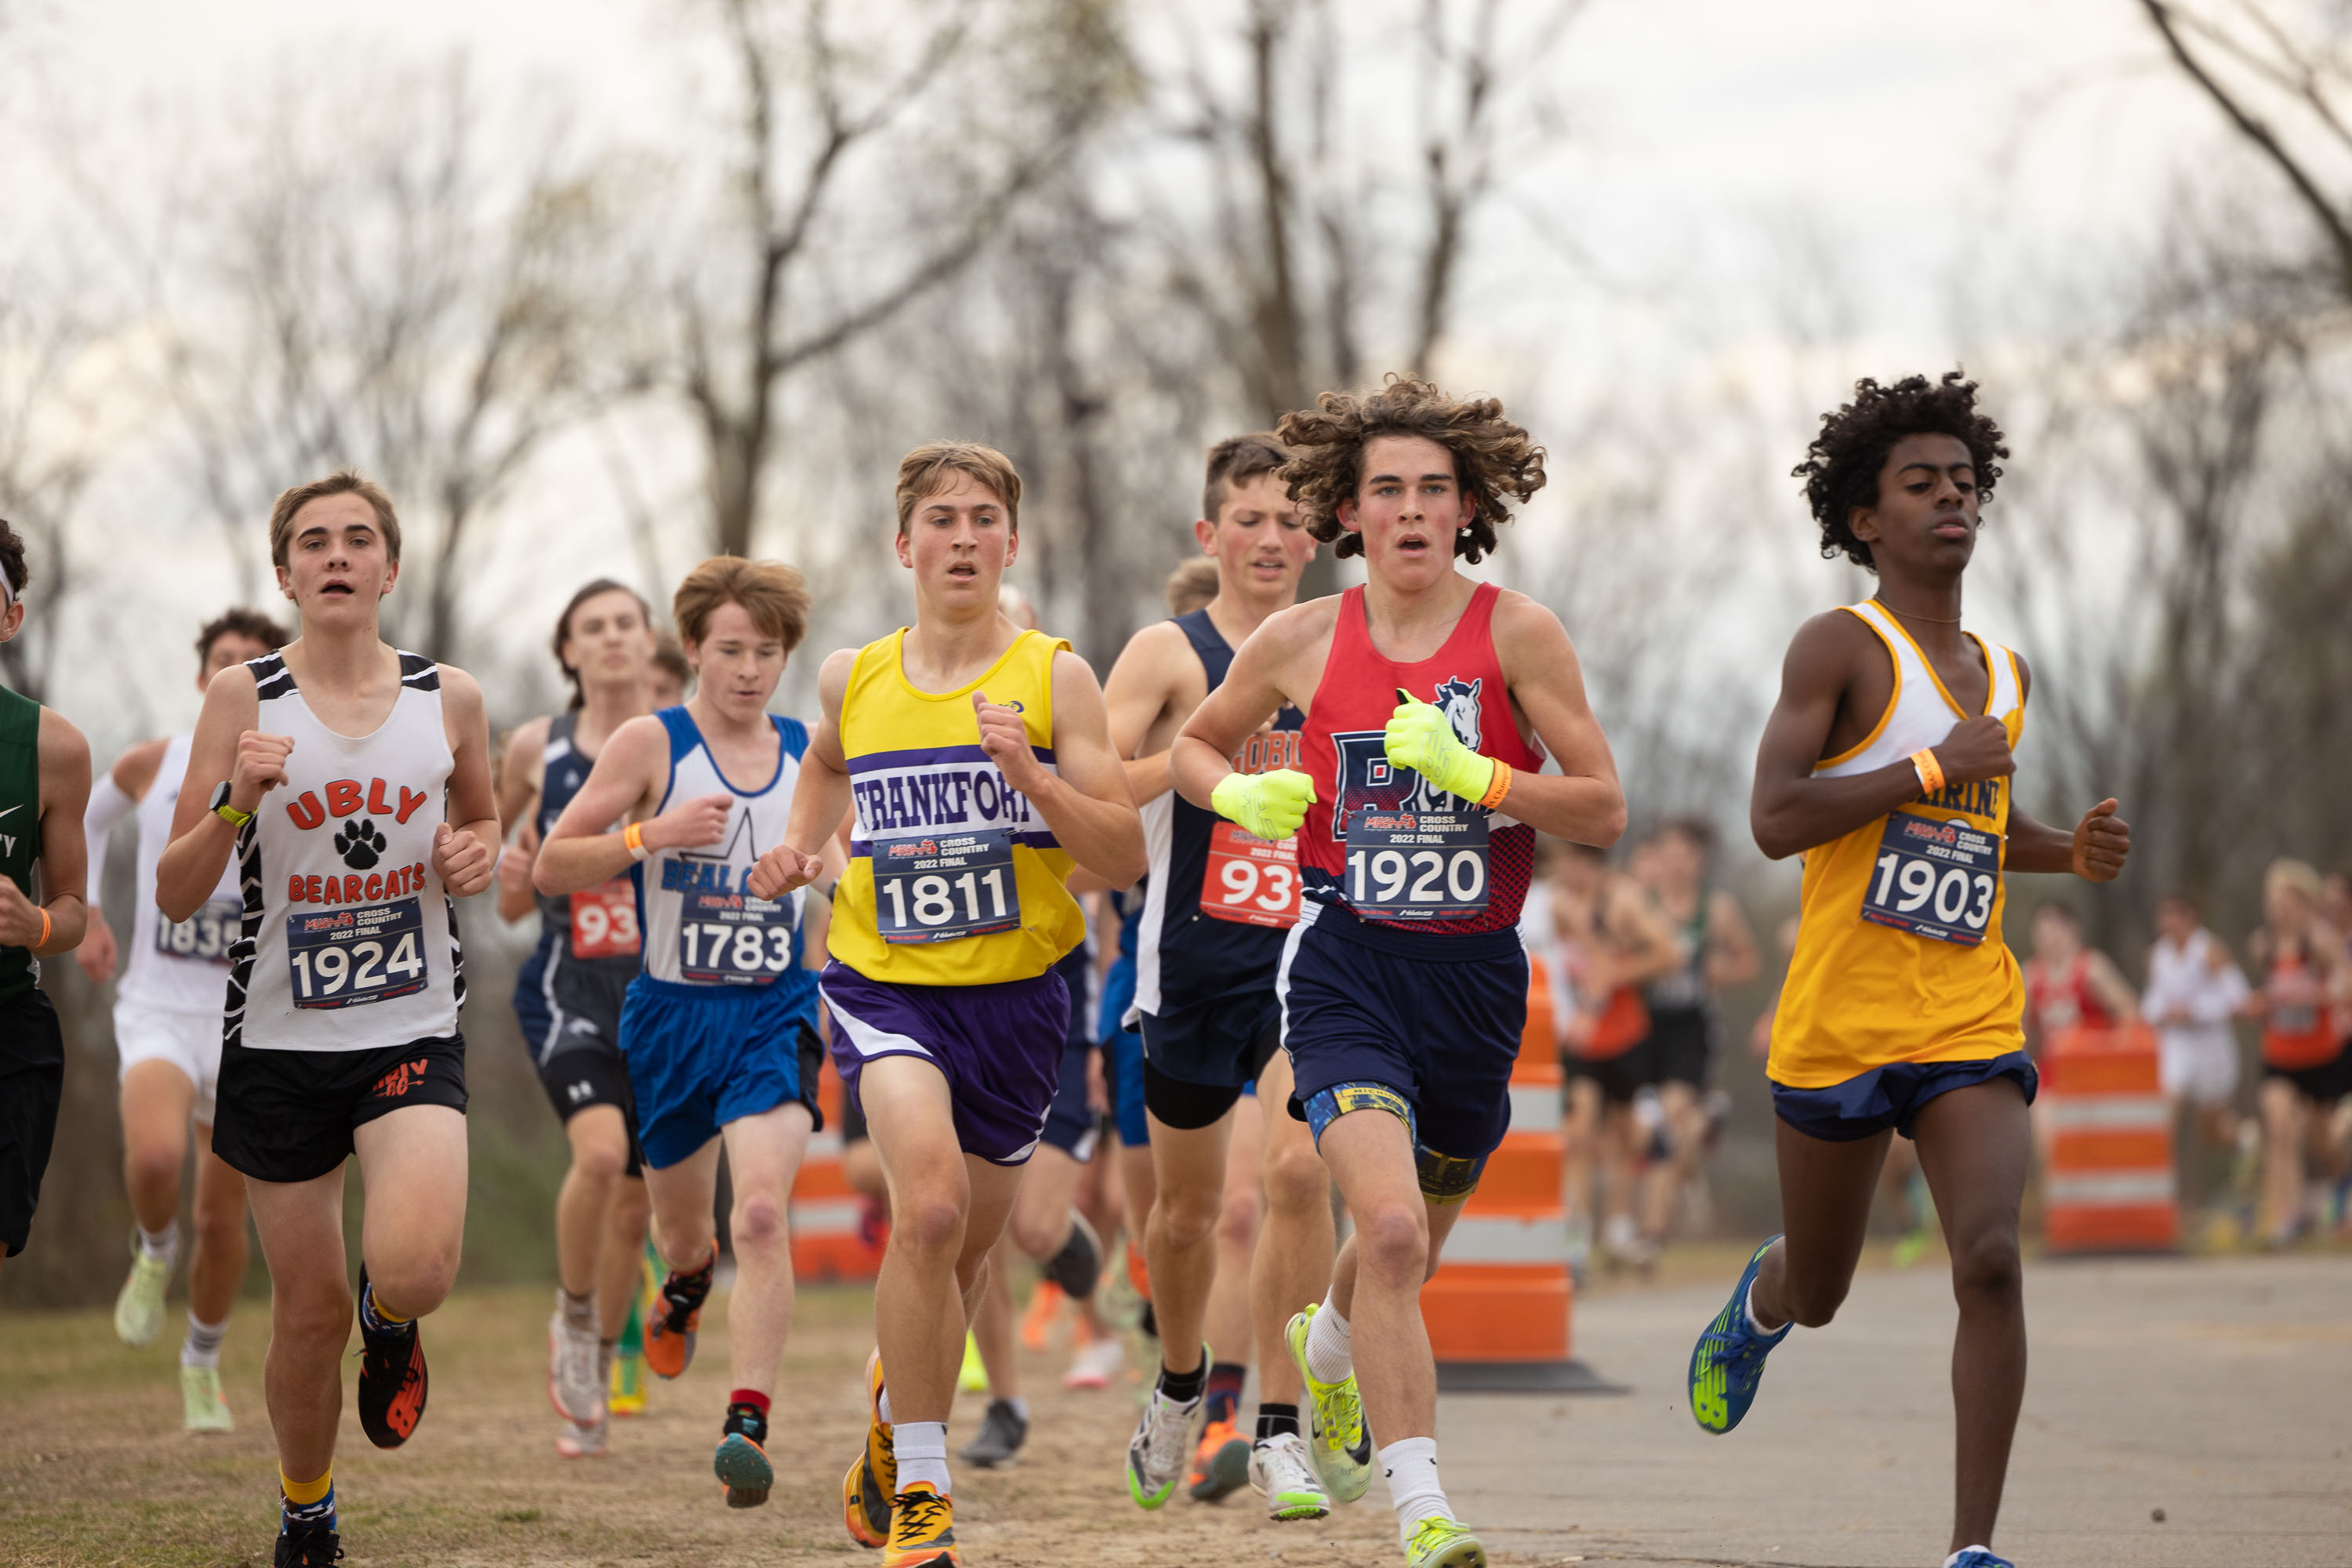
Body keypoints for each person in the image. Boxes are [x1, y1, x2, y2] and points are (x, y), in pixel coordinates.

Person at [1173, 378, 1625, 1568]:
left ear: (1466, 505)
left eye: (1434, 490)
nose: (1413, 511)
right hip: (1346, 964)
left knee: (1412, 1228)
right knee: (1386, 1236)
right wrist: (1231, 790)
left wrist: (1482, 778)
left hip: (1477, 976)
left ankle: (1325, 1354)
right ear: (1348, 511)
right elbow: (1190, 743)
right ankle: (1423, 1504)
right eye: (1389, 491)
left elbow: (1604, 807)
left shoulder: (1518, 633)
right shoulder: (1304, 639)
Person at [1684, 373, 2131, 1568]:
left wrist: (2062, 852)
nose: (1952, 499)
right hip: (1838, 1023)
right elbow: (1778, 818)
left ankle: (1972, 1548)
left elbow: (1981, 831)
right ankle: (1762, 1306)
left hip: (1968, 1016)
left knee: (1988, 1257)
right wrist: (1931, 769)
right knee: (1823, 1286)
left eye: (1967, 482)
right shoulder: (1839, 645)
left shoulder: (2005, 673)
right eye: (1920, 482)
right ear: (1864, 517)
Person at [749, 441, 1145, 1568]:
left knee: (965, 1253)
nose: (962, 537)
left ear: (1011, 545)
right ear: (904, 543)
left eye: (983, 520)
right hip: (886, 986)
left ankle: (890, 1420)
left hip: (1019, 1001)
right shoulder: (853, 676)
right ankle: (923, 1490)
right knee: (923, 1213)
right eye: (940, 518)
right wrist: (797, 848)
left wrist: (1036, 780)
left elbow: (1117, 849)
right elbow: (824, 761)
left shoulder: (1055, 676)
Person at [158, 472, 499, 1568]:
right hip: (277, 1040)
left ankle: (391, 1323)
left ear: (390, 568)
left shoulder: (451, 697)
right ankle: (308, 1512)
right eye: (316, 542)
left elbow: (482, 826)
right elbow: (173, 887)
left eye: (360, 540)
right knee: (307, 1316)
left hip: (409, 1024)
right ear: (286, 574)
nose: (338, 556)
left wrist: (475, 854)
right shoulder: (241, 701)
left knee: (415, 1268)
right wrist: (233, 803)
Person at [534, 556, 833, 1508]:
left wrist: (816, 871)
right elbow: (549, 863)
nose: (749, 670)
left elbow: (850, 871)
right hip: (668, 1016)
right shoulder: (649, 742)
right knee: (685, 1229)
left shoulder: (812, 748)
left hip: (773, 1009)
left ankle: (746, 1419)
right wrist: (649, 836)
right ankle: (686, 1283)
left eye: (769, 652)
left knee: (759, 1212)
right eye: (731, 650)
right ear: (694, 647)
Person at [1101, 432, 1338, 1521]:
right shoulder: (1169, 651)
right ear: (1212, 534)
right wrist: (1207, 763)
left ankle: (1280, 1424)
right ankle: (1182, 1379)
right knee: (1190, 1217)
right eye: (1251, 518)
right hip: (1192, 960)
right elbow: (1093, 791)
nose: (1274, 538)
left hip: (1315, 957)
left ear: (1322, 533)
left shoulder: (1348, 649)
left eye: (1295, 519)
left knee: (1293, 1177)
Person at [79, 608, 286, 1430]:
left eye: (255, 662)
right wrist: (89, 909)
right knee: (158, 1155)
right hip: (160, 1007)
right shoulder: (153, 762)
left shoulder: (294, 770)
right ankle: (152, 1248)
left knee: (221, 1213)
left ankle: (202, 1357)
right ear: (206, 679)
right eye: (224, 660)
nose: (236, 671)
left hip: (246, 1020)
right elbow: (89, 822)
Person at [492, 579, 662, 1458]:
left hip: (664, 991)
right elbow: (513, 900)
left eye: (625, 623)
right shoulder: (536, 748)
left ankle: (597, 1359)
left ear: (649, 640)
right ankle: (572, 1313)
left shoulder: (684, 738)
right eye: (591, 628)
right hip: (570, 985)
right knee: (597, 1155)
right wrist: (513, 872)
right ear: (568, 651)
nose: (610, 639)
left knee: (637, 1207)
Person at [0, 519, 93, 1290]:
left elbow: (73, 910)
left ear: (10, 616)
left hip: (8, 1017)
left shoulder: (53, 747)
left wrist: (32, 923)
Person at [1548, 840, 1678, 1272]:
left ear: (1592, 863)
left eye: (1571, 862)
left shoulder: (1621, 902)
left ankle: (1619, 1225)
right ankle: (1576, 1233)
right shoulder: (1559, 905)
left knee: (1627, 1138)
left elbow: (1667, 953)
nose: (1564, 872)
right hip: (1582, 1040)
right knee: (1579, 1131)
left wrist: (1613, 976)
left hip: (1626, 1036)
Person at [1632, 819, 1759, 1247]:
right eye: (1667, 855)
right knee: (1652, 1133)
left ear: (1698, 861)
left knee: (1668, 1120)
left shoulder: (1716, 908)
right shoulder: (1640, 903)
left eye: (1683, 856)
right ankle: (1706, 1127)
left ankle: (1649, 1236)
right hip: (1644, 1026)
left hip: (1692, 1027)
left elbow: (1748, 962)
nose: (1675, 864)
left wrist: (1718, 968)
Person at [2245, 858, 2350, 1247]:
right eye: (2273, 900)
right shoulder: (2263, 945)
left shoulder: (2318, 941)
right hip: (2279, 1056)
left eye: (2287, 900)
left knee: (2323, 1142)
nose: (2279, 909)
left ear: (2305, 903)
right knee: (2279, 1126)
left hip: (2321, 1058)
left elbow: (2346, 984)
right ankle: (2282, 1220)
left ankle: (2342, 1181)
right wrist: (2259, 1005)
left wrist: (2322, 994)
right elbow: (2270, 996)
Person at [2141, 891, 2249, 1208]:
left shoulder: (2209, 950)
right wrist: (2163, 1013)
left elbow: (2237, 998)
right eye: (2163, 917)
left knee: (2212, 1130)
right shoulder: (2157, 955)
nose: (2167, 924)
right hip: (2176, 1045)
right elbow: (2151, 1002)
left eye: (2174, 916)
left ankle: (2243, 1140)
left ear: (2190, 918)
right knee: (2165, 1109)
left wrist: (2195, 1010)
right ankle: (2160, 1196)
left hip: (2211, 1045)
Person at [2020, 902, 2138, 1050]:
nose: (2049, 939)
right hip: (2054, 1065)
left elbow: (2129, 1010)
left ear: (2071, 929)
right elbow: (2020, 1030)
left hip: (2091, 1061)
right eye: (2043, 933)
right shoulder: (2030, 976)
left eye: (2054, 931)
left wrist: (2116, 1044)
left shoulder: (2092, 968)